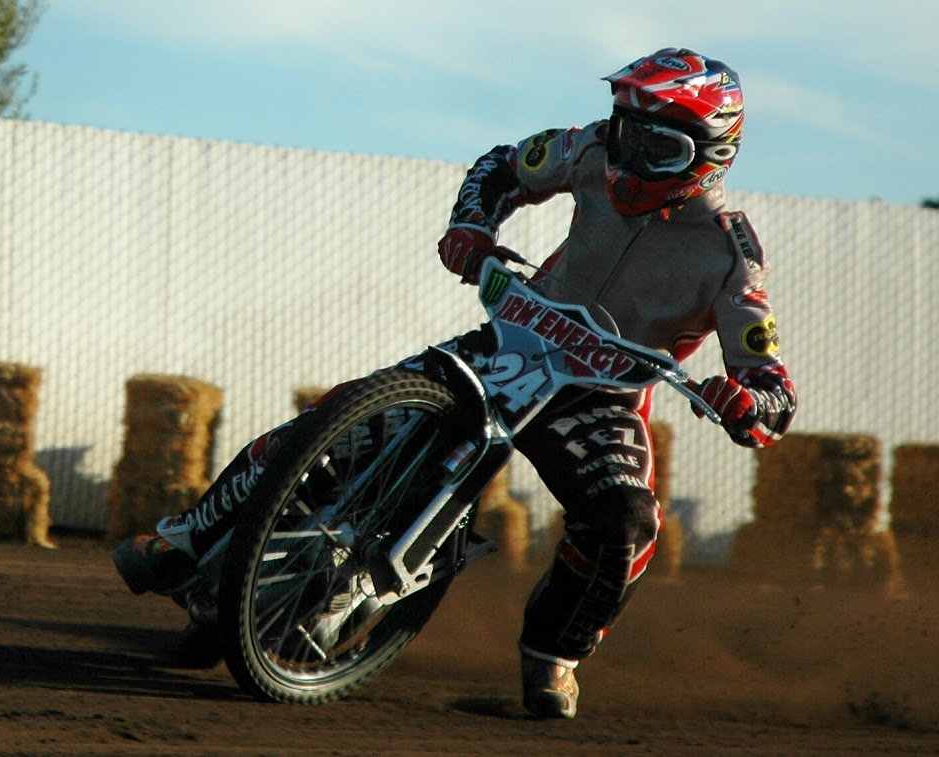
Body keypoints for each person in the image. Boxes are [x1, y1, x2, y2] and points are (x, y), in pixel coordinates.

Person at [112, 48, 797, 719]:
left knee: (626, 523)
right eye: (627, 133)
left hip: (599, 396)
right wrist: (472, 224)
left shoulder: (731, 254)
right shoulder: (587, 149)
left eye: (659, 149)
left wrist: (745, 403)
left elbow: (771, 385)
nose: (630, 158)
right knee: (339, 417)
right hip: (510, 341)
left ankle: (553, 656)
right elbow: (502, 164)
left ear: (710, 155)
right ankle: (190, 536)